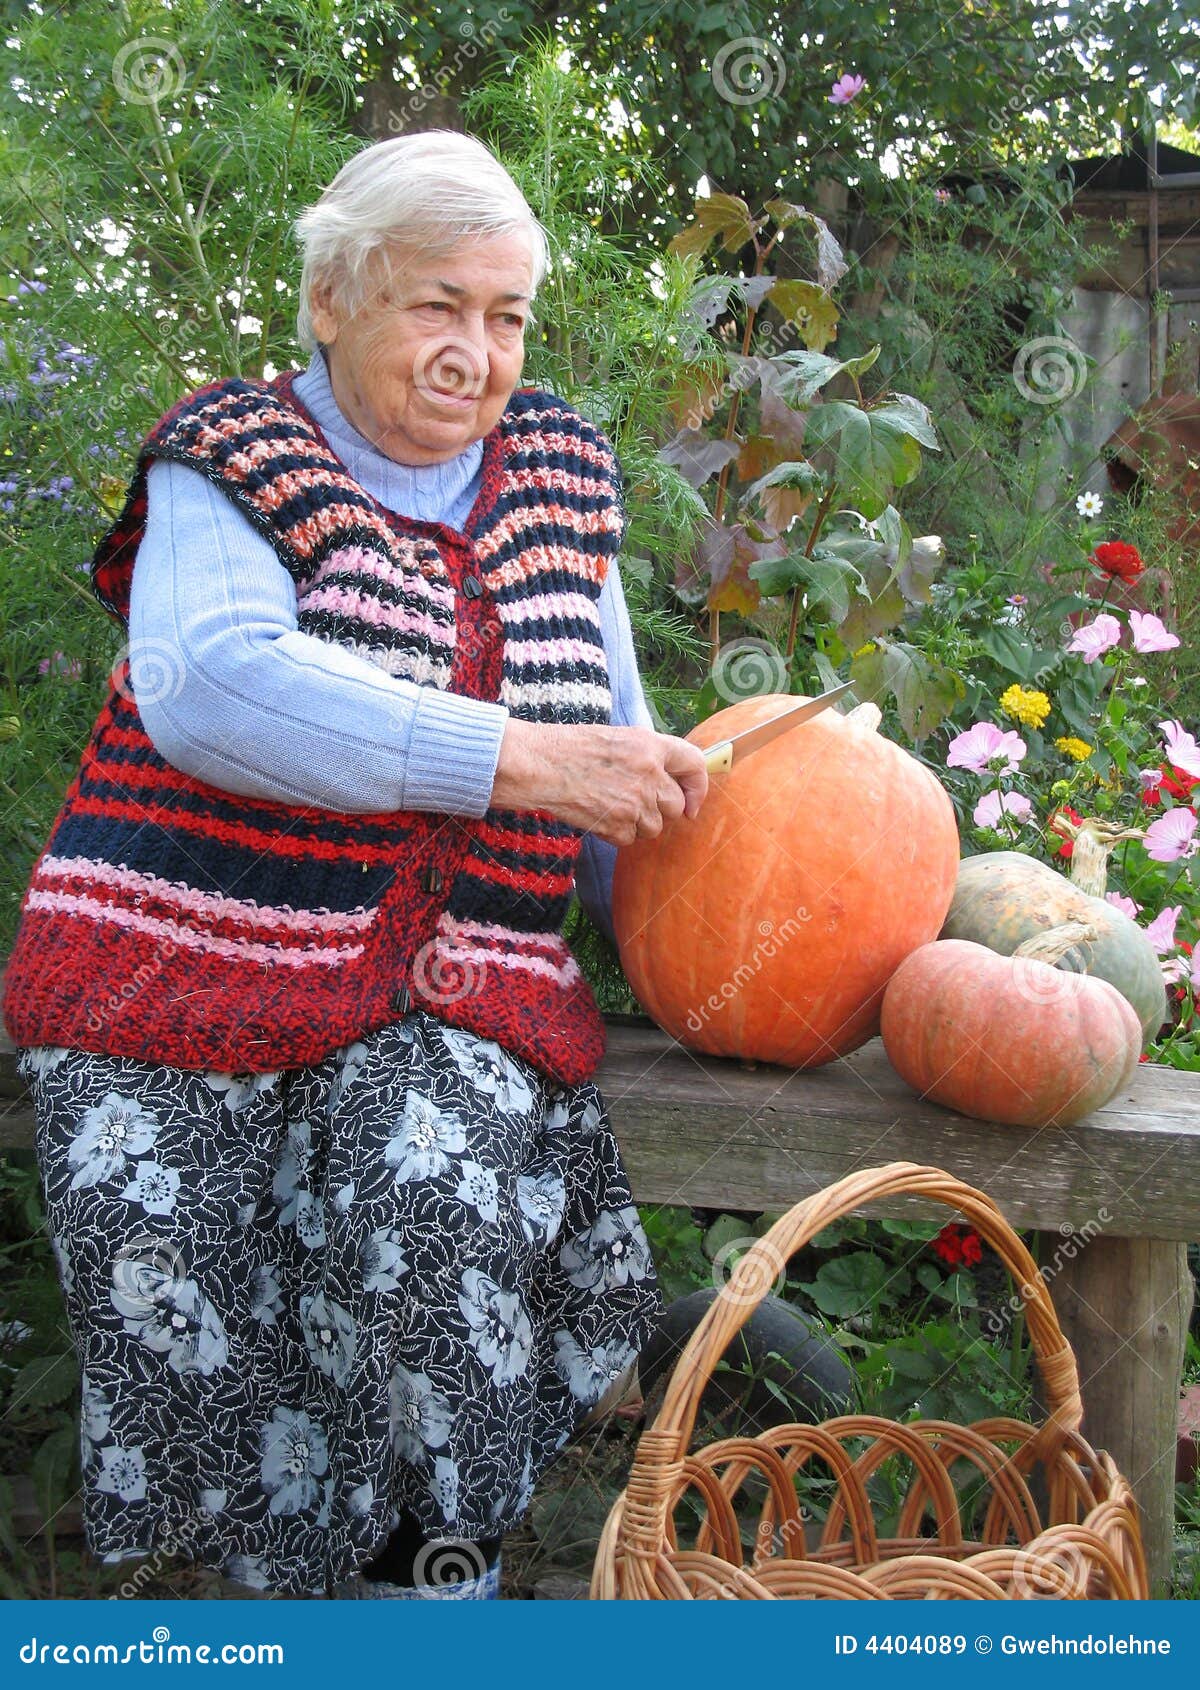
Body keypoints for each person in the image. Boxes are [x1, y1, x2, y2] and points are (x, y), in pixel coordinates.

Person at [3, 130, 709, 1600]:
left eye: (506, 317)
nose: (476, 353)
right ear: (331, 299)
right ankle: (255, 1603)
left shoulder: (560, 475)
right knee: (173, 1210)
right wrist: (513, 756)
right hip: (180, 951)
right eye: (436, 305)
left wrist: (731, 952)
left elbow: (615, 757)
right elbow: (212, 684)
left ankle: (421, 1591)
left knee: (430, 1196)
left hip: (462, 988)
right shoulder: (233, 453)